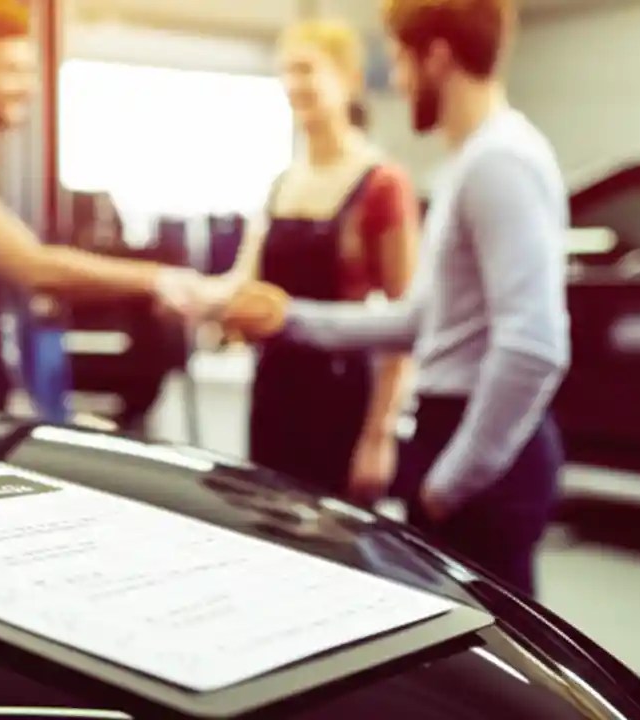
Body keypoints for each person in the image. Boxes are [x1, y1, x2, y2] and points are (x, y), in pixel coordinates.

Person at [224, 0, 570, 597]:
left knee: (485, 670)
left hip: (478, 448)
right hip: (458, 434)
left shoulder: (499, 161)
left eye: (401, 64)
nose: (399, 81)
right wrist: (290, 319)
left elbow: (534, 346)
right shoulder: (475, 160)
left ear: (436, 57)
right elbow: (419, 319)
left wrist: (449, 483)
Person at [0, 0, 226, 411]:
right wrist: (160, 279)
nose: (29, 87)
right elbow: (35, 266)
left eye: (30, 72)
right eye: (11, 70)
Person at [227, 19, 419, 503]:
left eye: (308, 69)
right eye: (286, 72)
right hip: (273, 392)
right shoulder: (280, 184)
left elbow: (406, 324)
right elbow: (242, 287)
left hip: (341, 402)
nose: (295, 84)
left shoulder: (382, 184)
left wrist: (378, 438)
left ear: (349, 78)